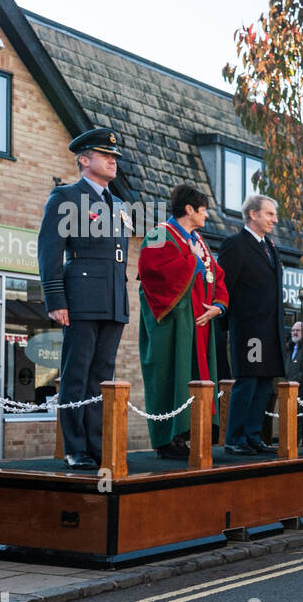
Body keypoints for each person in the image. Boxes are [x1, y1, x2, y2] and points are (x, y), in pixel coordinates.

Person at [37, 128, 131, 470]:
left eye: (115, 157)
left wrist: (122, 299)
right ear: (84, 160)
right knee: (75, 373)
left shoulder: (119, 205)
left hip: (112, 298)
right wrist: (55, 299)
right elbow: (50, 251)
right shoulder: (66, 197)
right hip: (80, 296)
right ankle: (75, 447)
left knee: (101, 376)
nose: (112, 161)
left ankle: (96, 444)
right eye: (105, 155)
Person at [137, 185, 228, 459]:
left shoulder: (198, 240)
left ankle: (190, 434)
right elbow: (151, 272)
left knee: (197, 377)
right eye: (203, 210)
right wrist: (190, 259)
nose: (207, 216)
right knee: (170, 376)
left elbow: (217, 275)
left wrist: (219, 306)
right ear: (189, 209)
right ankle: (167, 440)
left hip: (199, 323)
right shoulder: (156, 234)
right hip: (171, 325)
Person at [217, 194, 287, 455]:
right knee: (248, 379)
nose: (275, 219)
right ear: (253, 214)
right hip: (249, 330)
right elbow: (224, 286)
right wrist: (229, 323)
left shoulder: (270, 246)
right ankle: (235, 438)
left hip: (270, 330)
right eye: (269, 214)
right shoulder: (235, 245)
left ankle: (253, 434)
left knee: (264, 381)